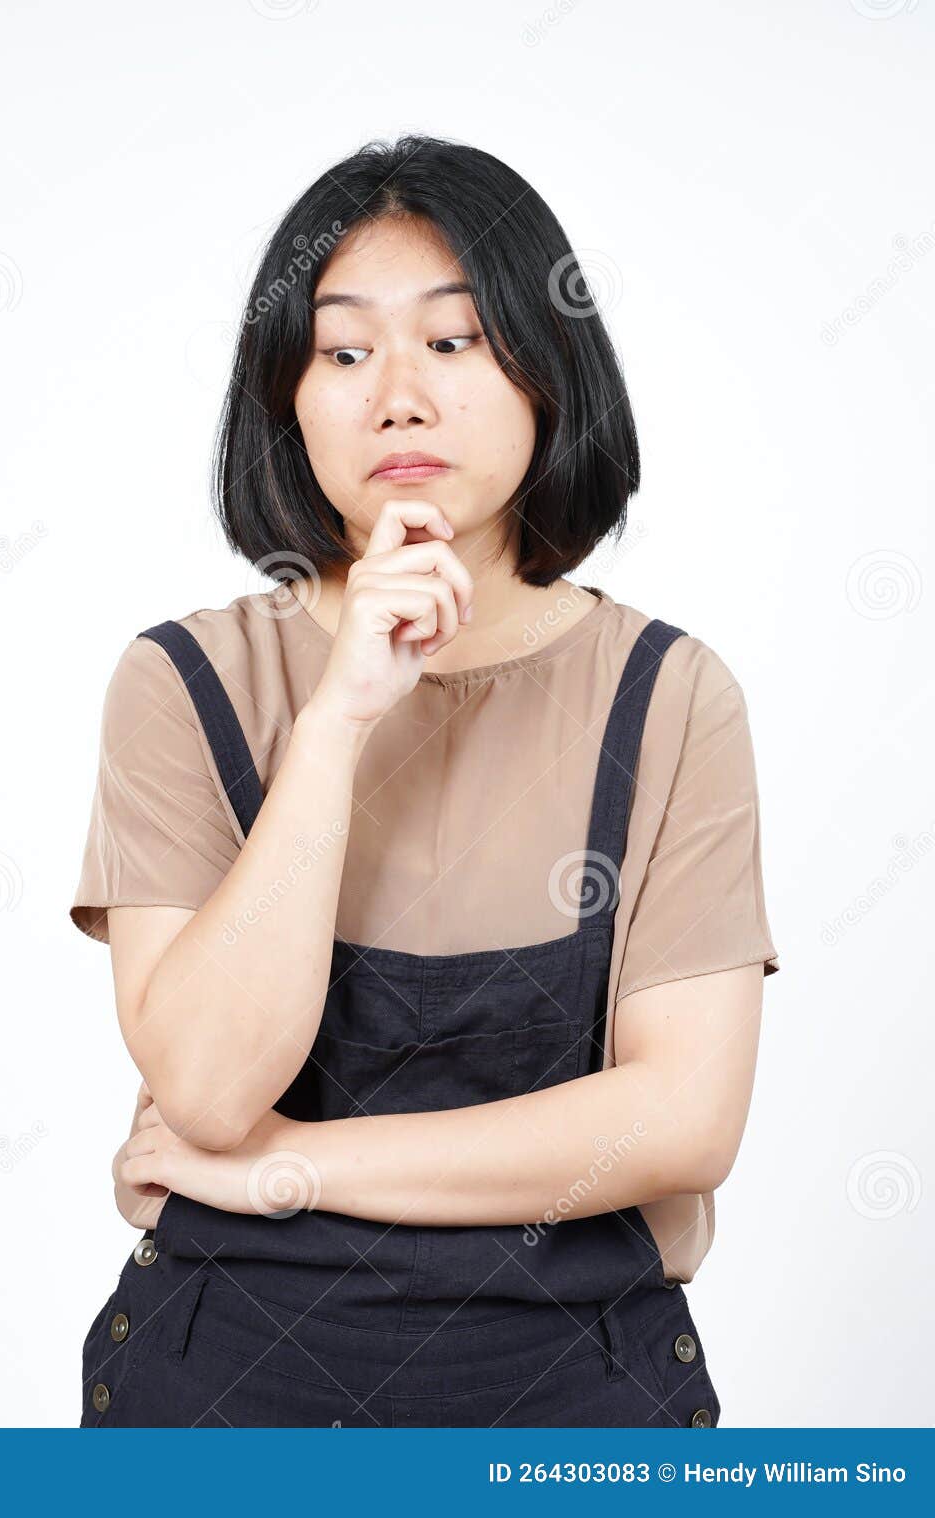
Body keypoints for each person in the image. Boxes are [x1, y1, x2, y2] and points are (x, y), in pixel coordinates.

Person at [68, 134, 779, 1429]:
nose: (398, 393)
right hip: (223, 1403)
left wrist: (283, 1169)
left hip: (580, 1412)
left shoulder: (669, 696)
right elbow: (212, 1085)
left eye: (453, 342)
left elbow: (682, 1117)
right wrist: (339, 714)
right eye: (343, 352)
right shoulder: (182, 681)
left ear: (547, 371)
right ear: (286, 400)